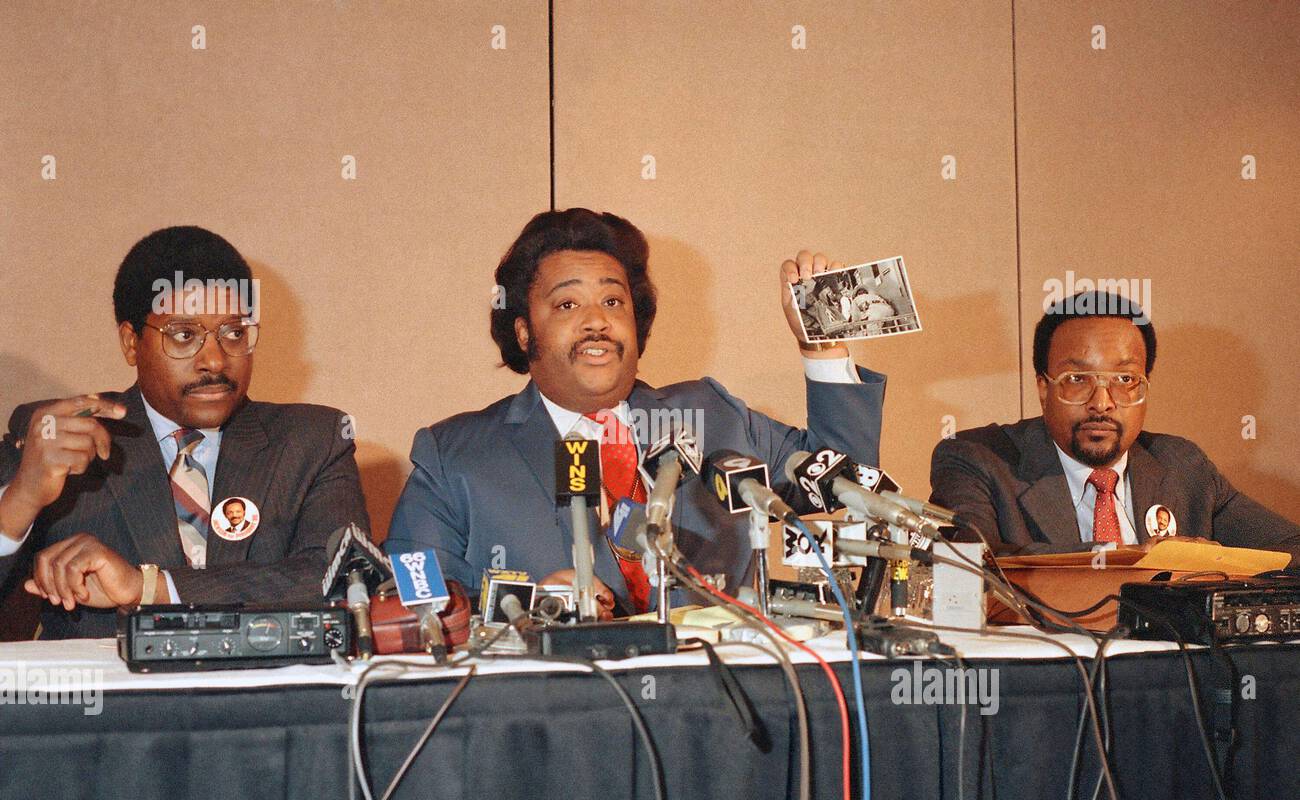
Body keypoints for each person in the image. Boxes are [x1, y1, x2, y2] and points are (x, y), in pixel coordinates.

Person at [385, 208, 887, 615]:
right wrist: (530, 605)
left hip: (719, 711)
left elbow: (852, 481)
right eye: (566, 306)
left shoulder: (711, 414)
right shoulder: (456, 455)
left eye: (612, 300)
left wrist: (821, 347)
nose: (597, 321)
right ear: (523, 331)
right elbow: (412, 598)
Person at [0, 226, 370, 638]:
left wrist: (148, 587)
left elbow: (343, 582)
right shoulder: (58, 438)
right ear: (130, 343)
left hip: (266, 700)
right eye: (184, 335)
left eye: (234, 332)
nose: (214, 360)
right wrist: (20, 500)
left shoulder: (312, 441)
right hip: (112, 703)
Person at [929, 291, 1300, 567]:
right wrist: (1133, 558)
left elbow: (1290, 549)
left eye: (1125, 378)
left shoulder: (1181, 465)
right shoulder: (976, 458)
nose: (1102, 402)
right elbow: (969, 559)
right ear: (1044, 388)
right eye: (1077, 378)